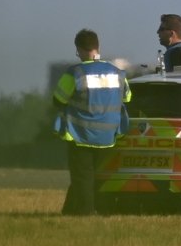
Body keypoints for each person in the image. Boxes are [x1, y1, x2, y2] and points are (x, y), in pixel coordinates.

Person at [51, 28, 131, 215]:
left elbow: (58, 100)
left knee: (82, 176)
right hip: (108, 136)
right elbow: (127, 97)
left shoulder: (76, 73)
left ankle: (85, 213)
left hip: (81, 134)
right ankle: (70, 211)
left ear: (79, 49)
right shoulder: (117, 73)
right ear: (97, 46)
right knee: (96, 177)